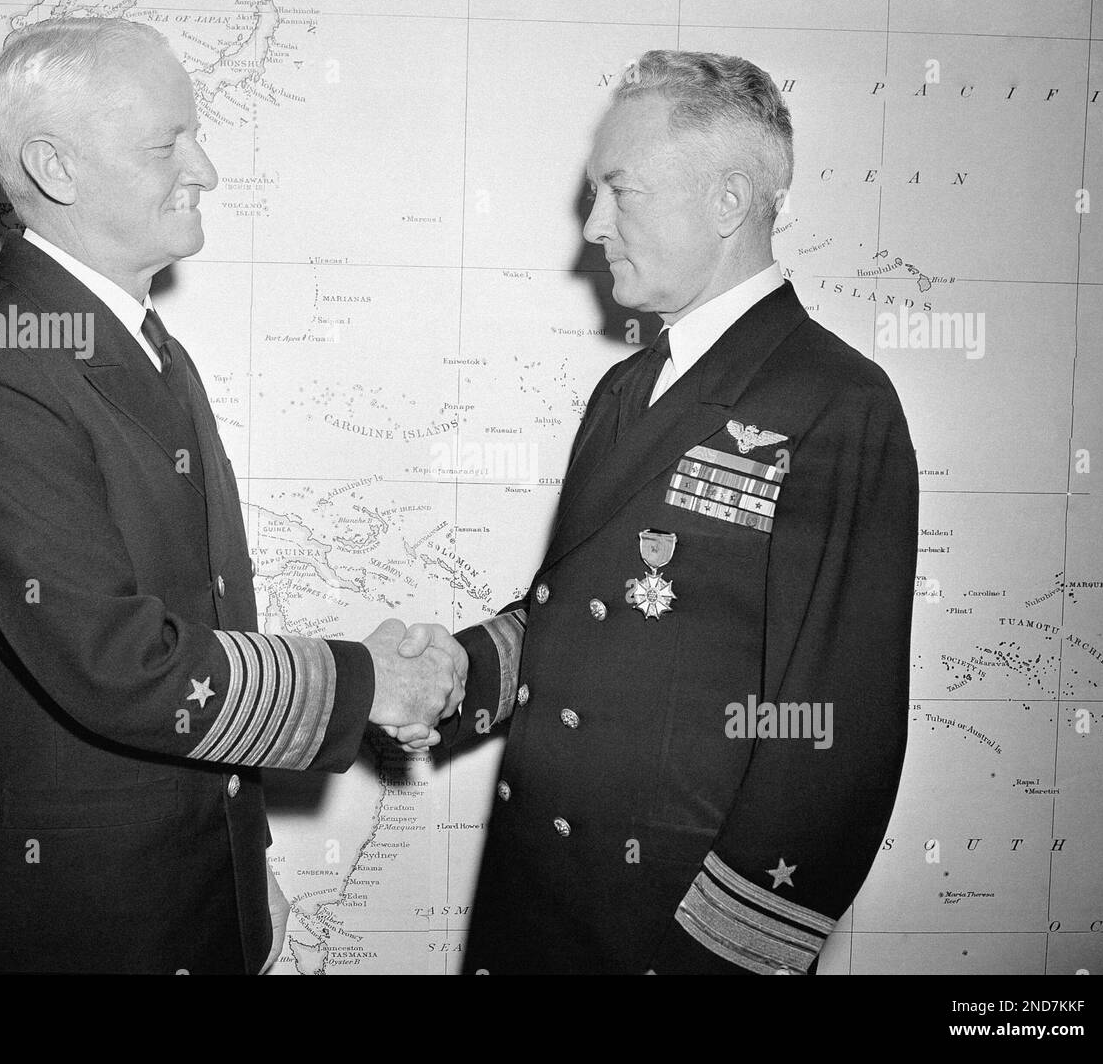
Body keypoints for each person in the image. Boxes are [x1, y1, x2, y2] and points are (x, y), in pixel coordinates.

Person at [0, 17, 465, 974]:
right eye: (168, 142)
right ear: (54, 168)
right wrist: (364, 685)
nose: (206, 168)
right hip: (64, 924)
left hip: (187, 893)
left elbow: (202, 614)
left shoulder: (131, 343)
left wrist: (244, 859)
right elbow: (116, 663)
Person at [393, 50, 919, 975]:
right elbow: (570, 614)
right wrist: (458, 674)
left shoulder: (837, 403)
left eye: (619, 191)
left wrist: (718, 956)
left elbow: (835, 730)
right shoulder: (625, 388)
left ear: (727, 202)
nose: (593, 225)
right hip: (538, 896)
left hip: (661, 927)